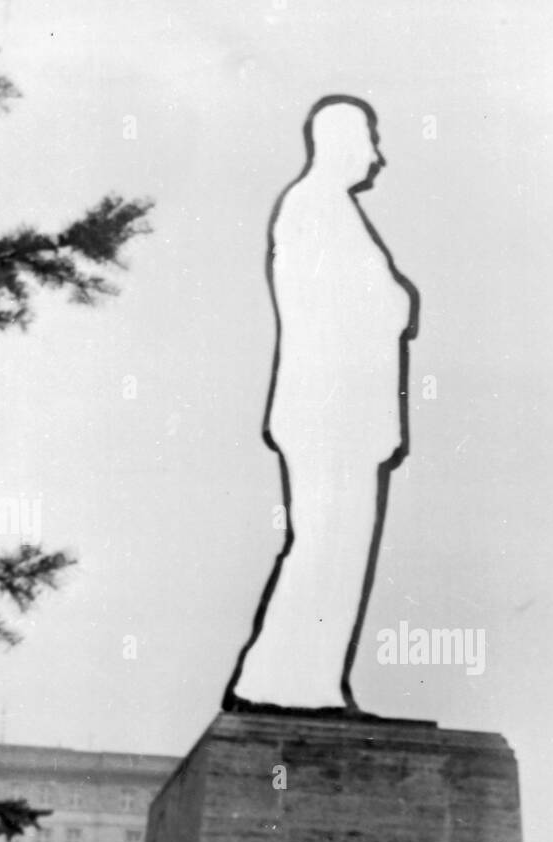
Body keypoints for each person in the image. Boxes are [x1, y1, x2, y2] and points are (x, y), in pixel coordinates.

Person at [225, 96, 419, 711]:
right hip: (327, 413)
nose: (377, 157)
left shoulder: (328, 210)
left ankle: (309, 684)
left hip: (340, 416)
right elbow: (367, 306)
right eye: (370, 142)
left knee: (337, 549)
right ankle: (273, 683)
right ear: (342, 142)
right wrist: (392, 301)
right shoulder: (315, 208)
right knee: (325, 545)